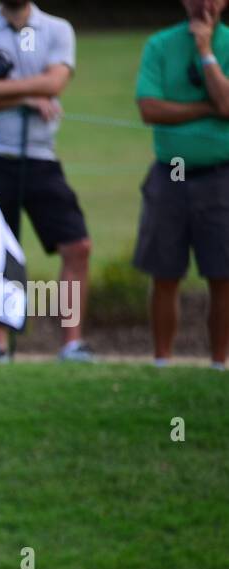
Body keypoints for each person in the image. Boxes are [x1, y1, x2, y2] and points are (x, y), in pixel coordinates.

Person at [0, 0, 94, 362]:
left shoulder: (57, 29)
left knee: (77, 246)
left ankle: (71, 344)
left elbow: (56, 81)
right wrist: (30, 95)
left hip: (40, 156)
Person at [134, 0, 229, 370]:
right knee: (165, 272)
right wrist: (206, 109)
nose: (201, 3)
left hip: (220, 176)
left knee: (222, 274)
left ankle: (219, 364)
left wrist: (205, 52)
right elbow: (149, 108)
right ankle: (162, 362)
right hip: (169, 174)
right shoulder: (160, 45)